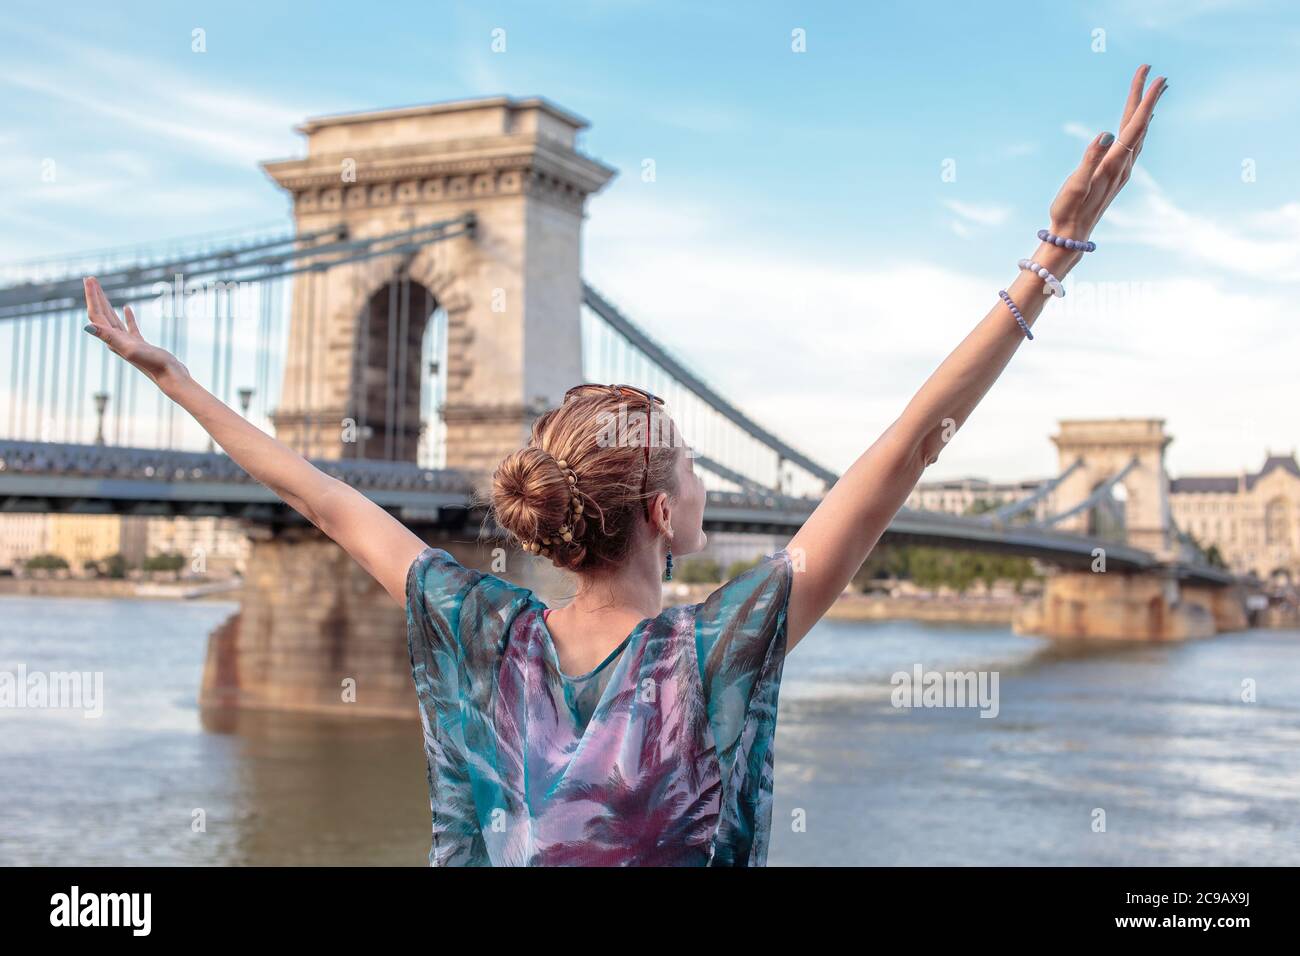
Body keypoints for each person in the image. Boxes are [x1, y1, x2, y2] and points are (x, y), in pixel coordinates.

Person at [80, 66, 1166, 866]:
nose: (702, 483)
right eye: (690, 465)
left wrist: (169, 373)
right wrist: (1047, 259)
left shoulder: (478, 627)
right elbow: (904, 451)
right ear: (660, 510)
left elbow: (316, 492)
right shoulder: (720, 649)